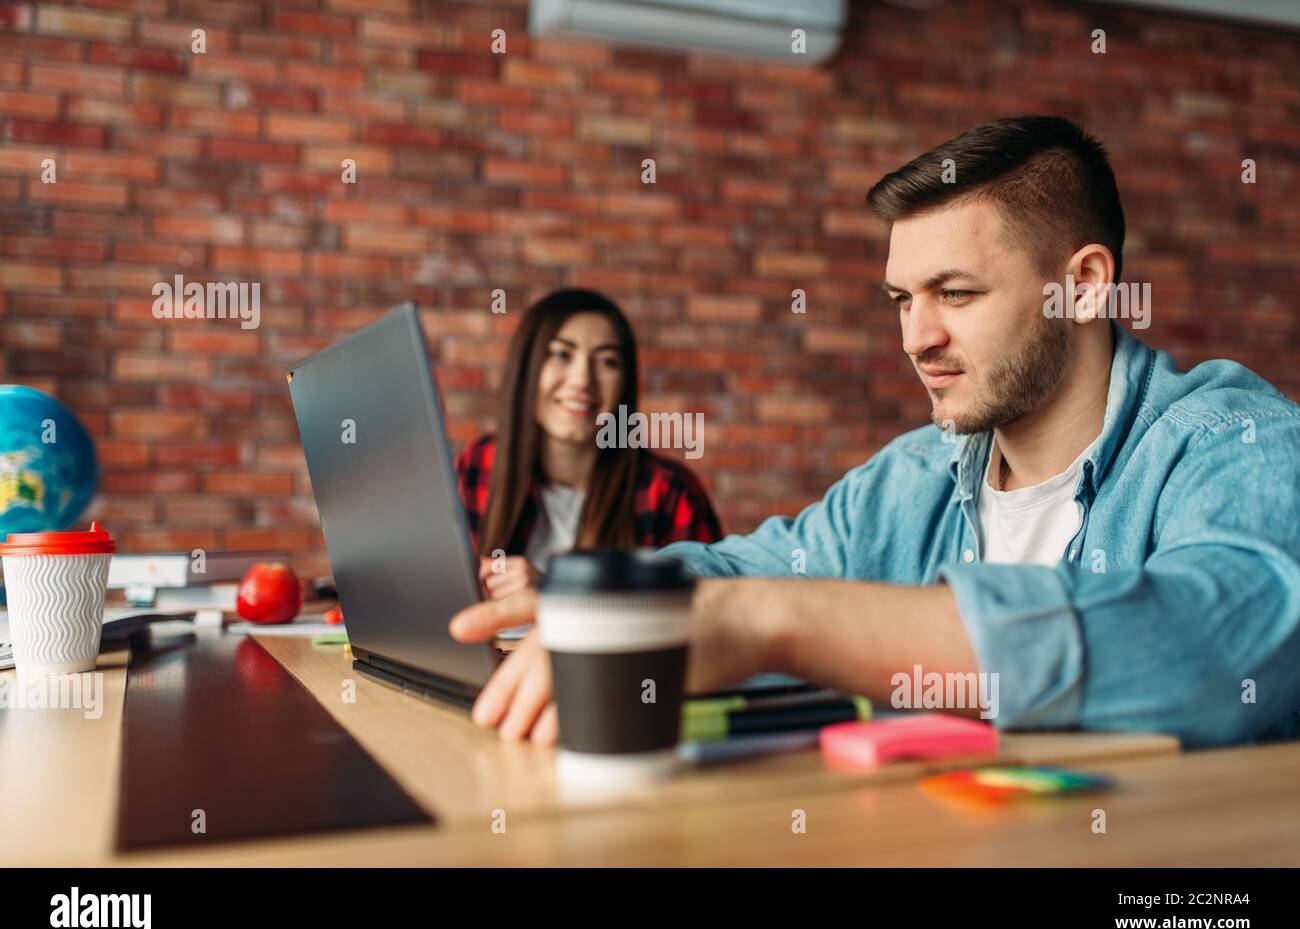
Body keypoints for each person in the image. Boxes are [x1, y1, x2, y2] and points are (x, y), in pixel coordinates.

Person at [449, 117, 1300, 750]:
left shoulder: (1233, 437)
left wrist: (771, 621)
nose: (914, 338)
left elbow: (1217, 648)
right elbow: (742, 568)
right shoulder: (915, 475)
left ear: (1081, 287)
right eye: (902, 298)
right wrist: (611, 598)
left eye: (955, 294)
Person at [455, 288, 722, 601]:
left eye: (607, 361)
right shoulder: (479, 463)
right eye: (560, 354)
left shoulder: (669, 491)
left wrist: (553, 595)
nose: (582, 380)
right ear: (527, 367)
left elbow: (707, 613)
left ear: (625, 382)